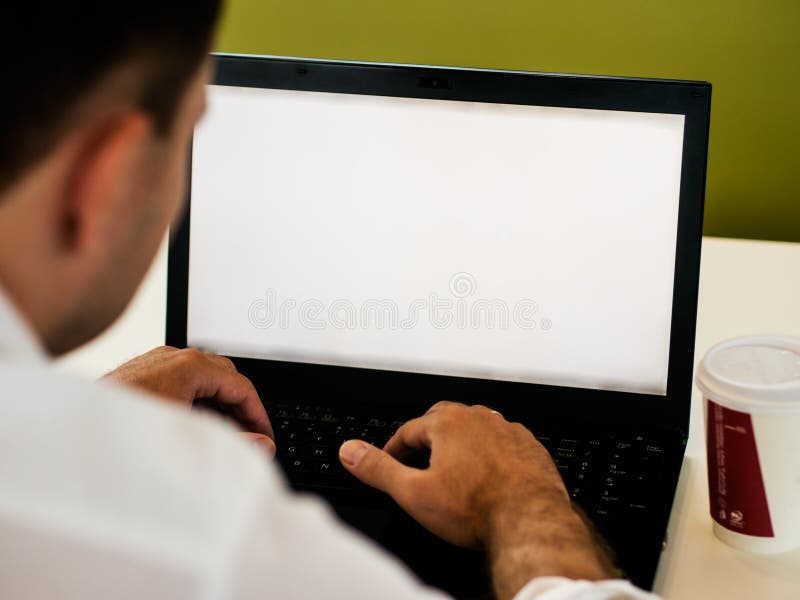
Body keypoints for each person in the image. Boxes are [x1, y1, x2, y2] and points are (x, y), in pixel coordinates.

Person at [0, 3, 657, 599]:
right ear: (106, 183)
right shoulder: (204, 543)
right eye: (192, 130)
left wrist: (92, 418)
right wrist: (523, 497)